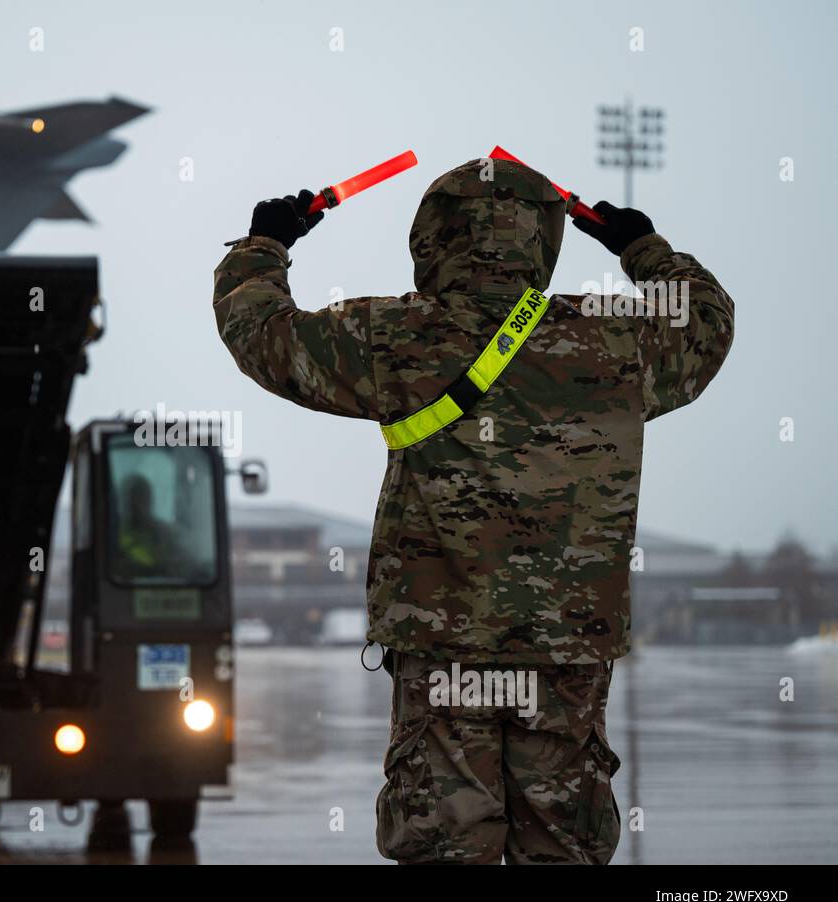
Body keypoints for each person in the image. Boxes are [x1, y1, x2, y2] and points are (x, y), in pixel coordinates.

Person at [212, 158, 733, 864]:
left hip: (443, 645)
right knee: (562, 844)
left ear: (432, 238)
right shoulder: (614, 342)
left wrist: (266, 244)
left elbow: (264, 336)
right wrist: (640, 247)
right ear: (545, 238)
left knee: (445, 841)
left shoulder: (394, 334)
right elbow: (704, 321)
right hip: (567, 649)